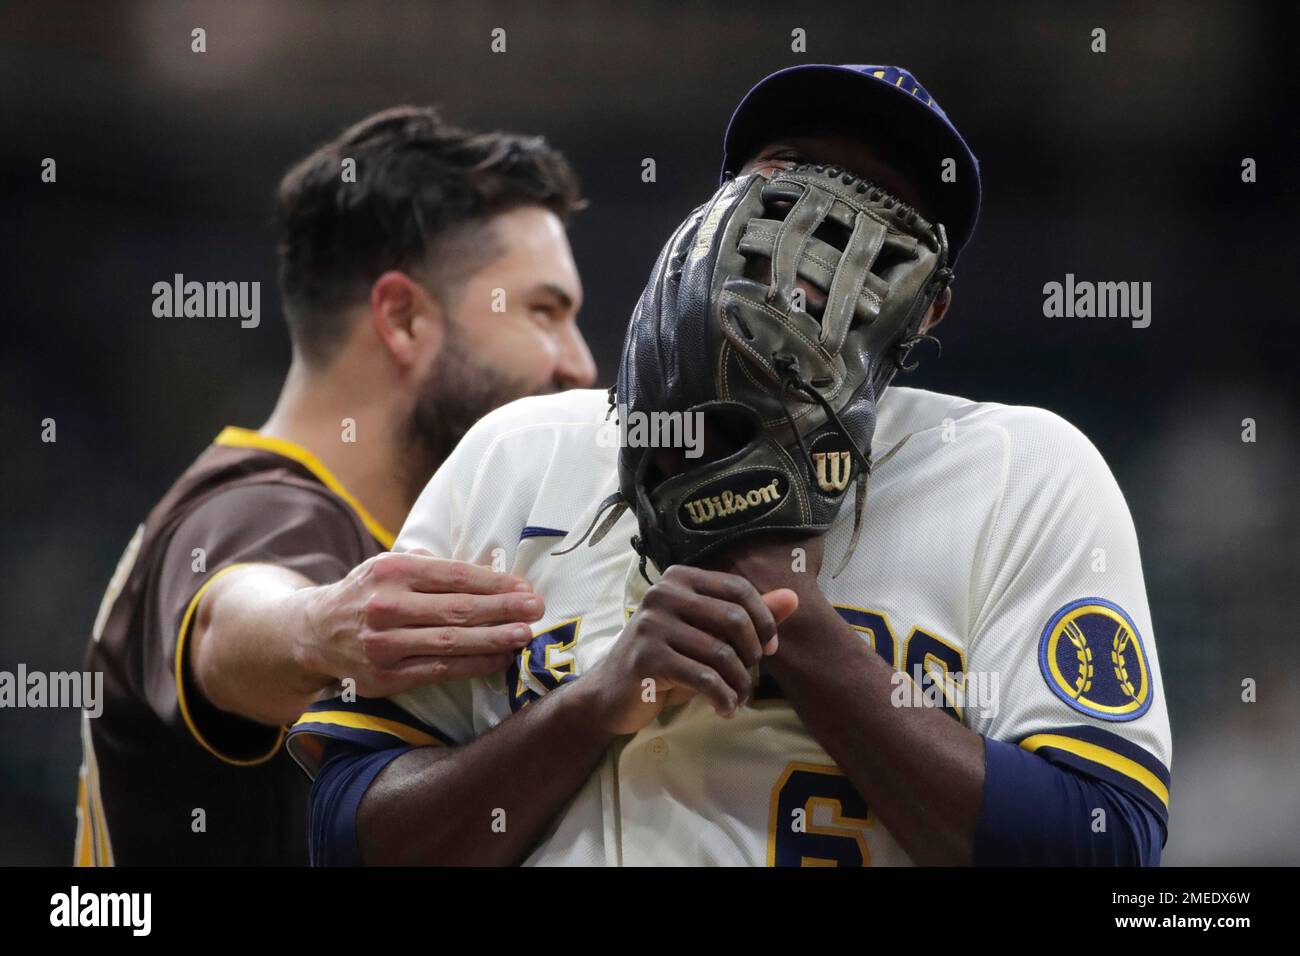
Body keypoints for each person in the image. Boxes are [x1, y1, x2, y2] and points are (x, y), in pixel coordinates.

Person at [290, 67, 1171, 866]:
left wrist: (798, 630)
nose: (820, 218)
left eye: (879, 199)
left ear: (929, 304)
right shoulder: (518, 453)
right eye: (789, 168)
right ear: (714, 213)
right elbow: (349, 835)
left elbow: (1104, 845)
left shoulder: (1020, 470)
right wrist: (591, 704)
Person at [75, 105, 596, 865]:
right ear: (404, 319)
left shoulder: (357, 529)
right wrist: (318, 625)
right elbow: (230, 623)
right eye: (544, 311)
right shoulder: (260, 510)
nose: (578, 364)